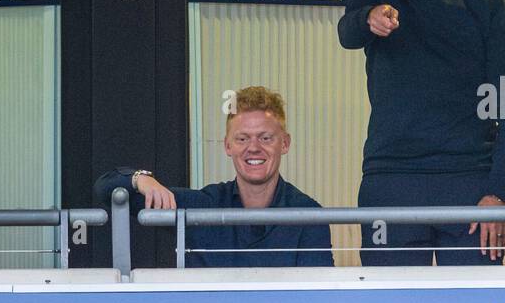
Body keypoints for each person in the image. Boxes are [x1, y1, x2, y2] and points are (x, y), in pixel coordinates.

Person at [338, 0, 505, 266]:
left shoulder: (488, 5)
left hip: (470, 186)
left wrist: (498, 192)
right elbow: (348, 32)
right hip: (390, 183)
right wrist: (368, 19)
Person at [94, 86, 333, 267]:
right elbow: (107, 189)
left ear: (285, 144)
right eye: (242, 138)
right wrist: (141, 179)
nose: (254, 147)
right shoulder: (202, 206)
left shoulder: (310, 216)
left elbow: (316, 301)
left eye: (265, 138)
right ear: (227, 146)